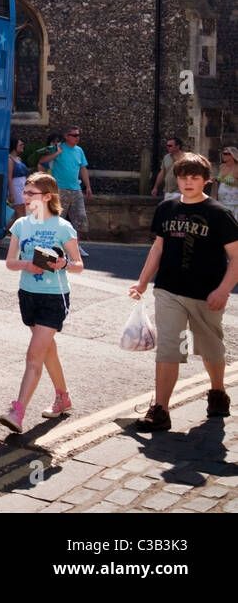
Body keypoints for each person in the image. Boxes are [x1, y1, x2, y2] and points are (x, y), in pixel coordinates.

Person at [129, 152, 238, 431]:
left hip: (206, 293)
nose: (188, 183)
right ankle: (161, 410)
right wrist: (143, 282)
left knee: (210, 347)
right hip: (169, 291)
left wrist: (224, 290)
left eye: (194, 178)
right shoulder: (167, 208)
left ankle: (217, 392)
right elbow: (158, 247)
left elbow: (236, 256)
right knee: (170, 346)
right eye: (183, 177)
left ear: (206, 181)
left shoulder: (218, 214)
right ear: (176, 178)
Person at [0, 173, 83, 432]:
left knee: (34, 354)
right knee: (47, 350)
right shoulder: (21, 225)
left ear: (47, 197)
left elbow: (79, 265)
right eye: (24, 193)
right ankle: (63, 397)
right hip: (28, 295)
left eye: (30, 194)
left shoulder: (62, 227)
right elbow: (10, 262)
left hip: (54, 297)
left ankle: (17, 411)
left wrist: (63, 264)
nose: (25, 198)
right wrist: (28, 264)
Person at [39, 126, 91, 257]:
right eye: (74, 135)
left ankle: (76, 247)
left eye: (78, 135)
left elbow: (83, 169)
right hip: (59, 189)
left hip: (76, 189)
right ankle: (54, 247)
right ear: (67, 136)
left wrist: (88, 186)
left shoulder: (79, 151)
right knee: (57, 218)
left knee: (80, 218)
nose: (77, 137)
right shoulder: (57, 147)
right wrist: (57, 153)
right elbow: (42, 161)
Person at [213, 146, 238, 217]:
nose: (223, 155)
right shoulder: (222, 166)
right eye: (223, 153)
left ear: (232, 155)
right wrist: (215, 179)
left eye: (225, 153)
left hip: (234, 203)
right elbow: (220, 179)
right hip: (222, 201)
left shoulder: (237, 168)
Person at [7, 136, 28, 210]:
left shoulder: (19, 159)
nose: (23, 146)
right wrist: (12, 193)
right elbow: (9, 178)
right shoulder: (9, 160)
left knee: (19, 212)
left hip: (23, 187)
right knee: (20, 210)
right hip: (16, 188)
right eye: (20, 145)